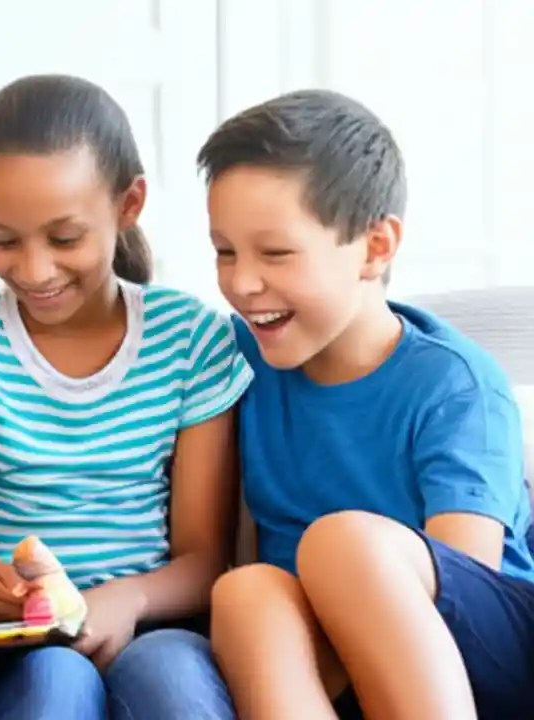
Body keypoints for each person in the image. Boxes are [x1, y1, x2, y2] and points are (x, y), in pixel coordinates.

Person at [0, 73, 253, 719]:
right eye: (3, 239)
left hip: (155, 627)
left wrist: (126, 600)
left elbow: (206, 559)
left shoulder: (191, 339)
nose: (34, 270)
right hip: (17, 643)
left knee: (175, 688)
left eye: (65, 239)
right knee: (54, 684)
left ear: (129, 205)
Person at [200, 89, 534, 720]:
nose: (241, 282)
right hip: (340, 662)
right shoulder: (230, 361)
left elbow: (462, 585)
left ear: (375, 248)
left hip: (481, 650)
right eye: (224, 251)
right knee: (245, 594)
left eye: (275, 253)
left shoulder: (456, 386)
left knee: (341, 545)